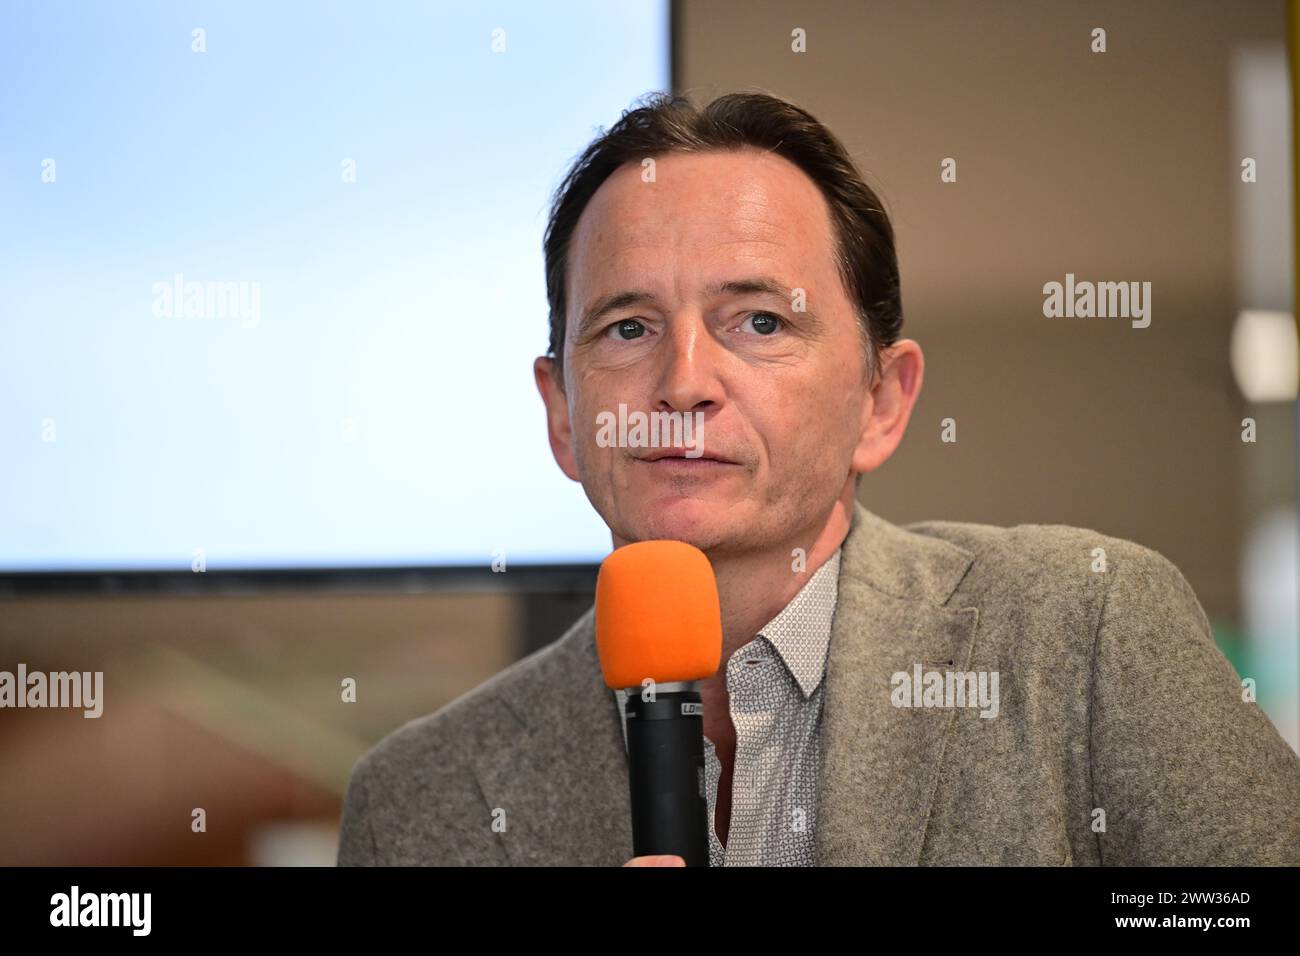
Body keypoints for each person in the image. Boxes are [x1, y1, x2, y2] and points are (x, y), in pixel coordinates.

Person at [337, 90, 1300, 866]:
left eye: (759, 321)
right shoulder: (420, 802)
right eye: (628, 328)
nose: (682, 383)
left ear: (881, 399)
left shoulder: (1086, 635)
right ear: (562, 415)